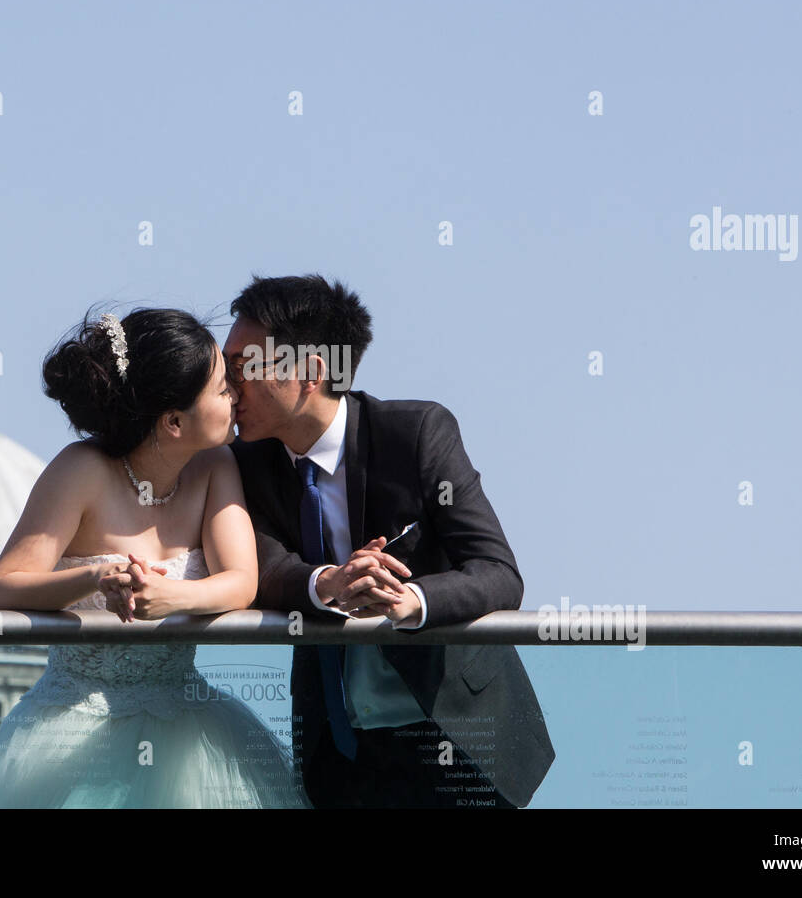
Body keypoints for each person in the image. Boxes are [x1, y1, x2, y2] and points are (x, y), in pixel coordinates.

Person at [225, 274, 556, 808]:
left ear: (310, 372)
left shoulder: (417, 433)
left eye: (243, 365)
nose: (227, 383)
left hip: (457, 735)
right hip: (338, 751)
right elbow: (259, 564)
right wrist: (327, 583)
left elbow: (498, 572)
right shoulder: (241, 462)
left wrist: (412, 601)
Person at [0, 306, 308, 808]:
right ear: (172, 421)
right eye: (220, 388)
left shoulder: (215, 465)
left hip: (191, 732)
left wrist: (170, 596)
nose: (236, 393)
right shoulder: (79, 470)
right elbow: (1, 589)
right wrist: (94, 579)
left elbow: (241, 581)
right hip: (71, 731)